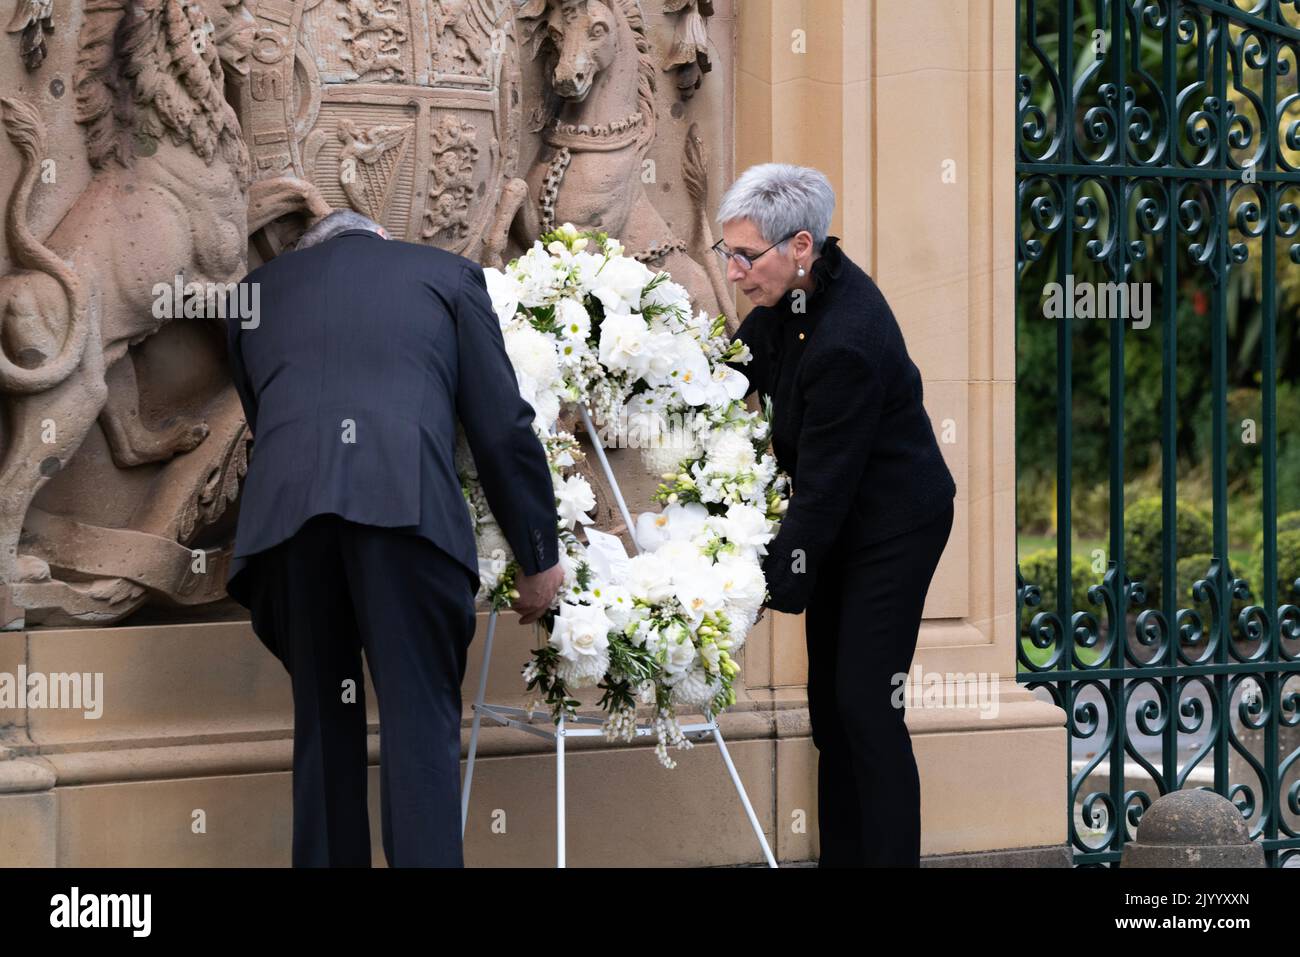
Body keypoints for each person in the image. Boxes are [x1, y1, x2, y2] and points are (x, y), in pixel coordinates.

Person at [222, 209, 564, 867]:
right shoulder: (447, 276)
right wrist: (538, 554)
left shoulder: (252, 297)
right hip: (404, 509)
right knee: (418, 724)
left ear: (310, 251)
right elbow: (500, 429)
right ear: (380, 236)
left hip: (288, 522)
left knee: (324, 723)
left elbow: (266, 416)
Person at [716, 164, 956, 867]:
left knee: (865, 705)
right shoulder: (789, 302)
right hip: (841, 522)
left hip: (894, 526)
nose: (732, 272)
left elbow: (821, 491)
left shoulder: (847, 338)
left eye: (744, 255)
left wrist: (761, 586)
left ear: (799, 246)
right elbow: (731, 373)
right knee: (829, 705)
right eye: (724, 252)